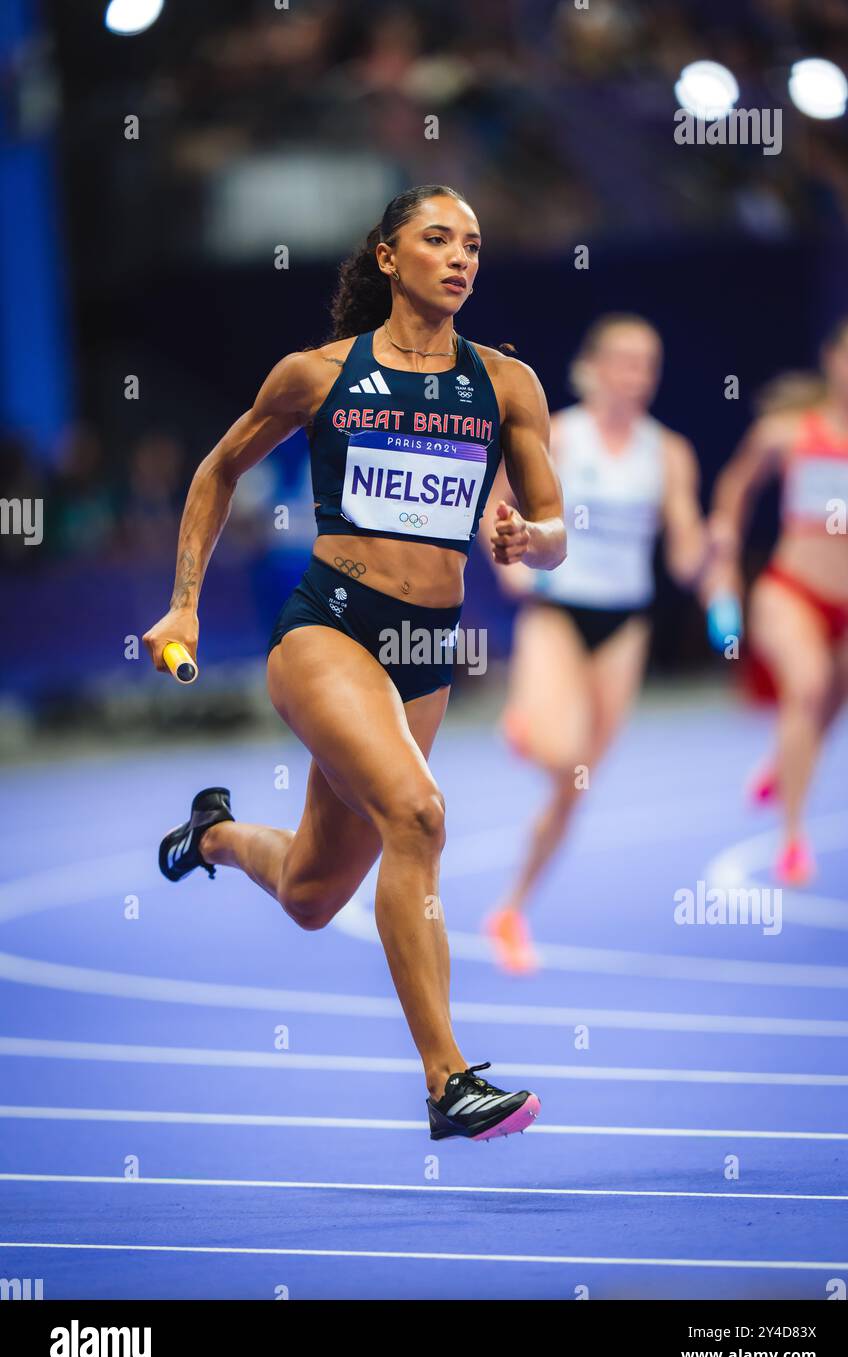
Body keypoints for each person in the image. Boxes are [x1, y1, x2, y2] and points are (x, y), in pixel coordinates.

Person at [143, 184, 566, 1141]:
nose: (461, 258)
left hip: (424, 656)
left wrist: (525, 540)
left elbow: (554, 531)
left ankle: (210, 835)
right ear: (387, 256)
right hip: (326, 630)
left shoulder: (507, 385)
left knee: (308, 891)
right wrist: (184, 602)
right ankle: (447, 1081)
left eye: (473, 245)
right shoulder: (317, 374)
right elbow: (218, 471)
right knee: (419, 814)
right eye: (437, 240)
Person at [479, 314, 708, 971]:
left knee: (576, 782)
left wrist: (707, 557)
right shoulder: (562, 434)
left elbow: (685, 550)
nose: (636, 377)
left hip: (624, 622)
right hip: (557, 609)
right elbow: (496, 500)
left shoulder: (668, 453)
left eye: (648, 365)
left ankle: (510, 909)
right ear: (597, 366)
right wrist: (508, 563)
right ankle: (529, 725)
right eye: (625, 361)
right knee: (561, 749)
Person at [707, 314, 848, 885]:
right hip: (792, 590)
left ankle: (782, 762)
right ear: (833, 361)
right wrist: (725, 529)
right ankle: (794, 838)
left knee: (825, 712)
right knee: (809, 686)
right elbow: (736, 483)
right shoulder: (789, 431)